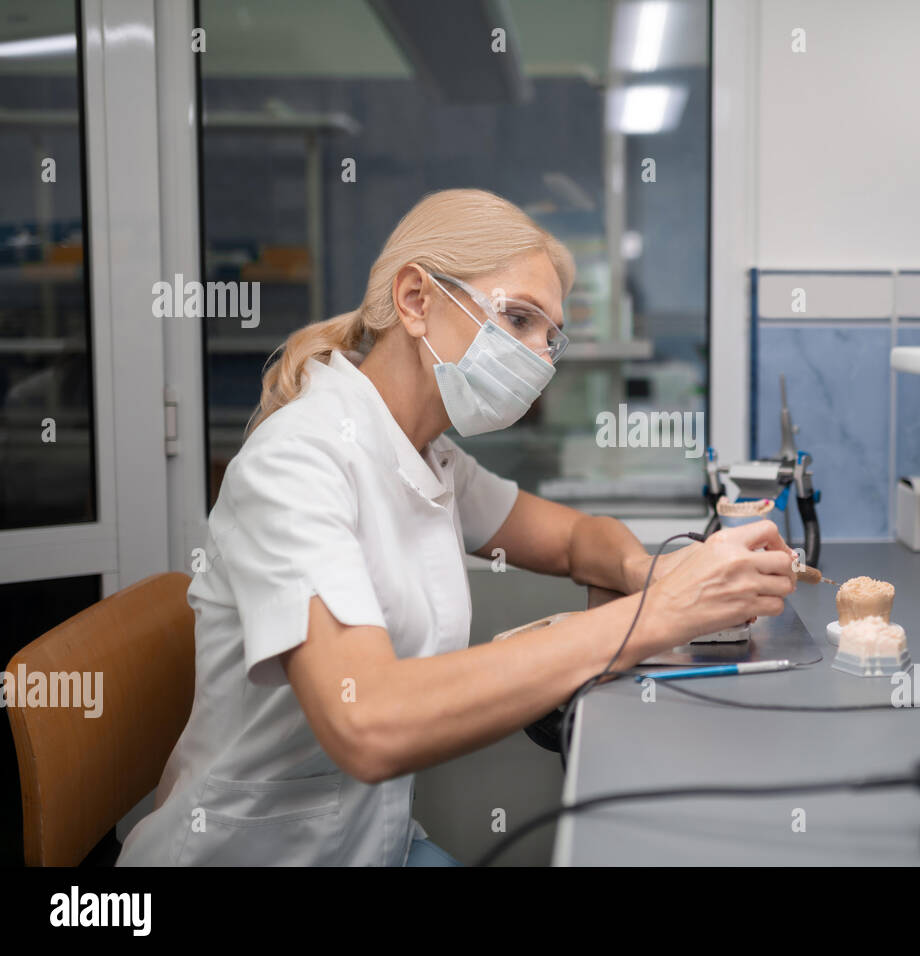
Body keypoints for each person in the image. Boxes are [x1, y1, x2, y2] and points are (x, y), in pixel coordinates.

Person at [117, 188, 796, 866]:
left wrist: (647, 572)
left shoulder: (430, 456)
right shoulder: (297, 463)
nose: (539, 357)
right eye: (519, 319)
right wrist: (656, 616)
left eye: (550, 337)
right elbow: (366, 722)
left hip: (371, 846)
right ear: (416, 300)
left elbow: (574, 538)